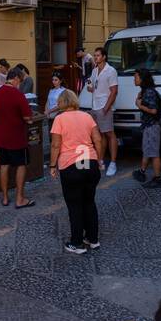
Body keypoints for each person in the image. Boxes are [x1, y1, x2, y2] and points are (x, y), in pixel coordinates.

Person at [48, 90, 102, 254]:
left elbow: (56, 145)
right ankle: (93, 239)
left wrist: (52, 165)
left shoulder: (59, 119)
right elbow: (98, 139)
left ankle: (76, 243)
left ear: (62, 103)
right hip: (88, 161)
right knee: (89, 201)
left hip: (71, 164)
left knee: (74, 204)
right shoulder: (86, 116)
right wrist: (98, 160)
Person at [0, 66, 34, 209]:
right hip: (16, 137)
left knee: (4, 165)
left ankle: (4, 198)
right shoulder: (18, 95)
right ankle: (19, 199)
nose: (20, 84)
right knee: (21, 166)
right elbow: (28, 118)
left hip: (1, 137)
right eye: (20, 81)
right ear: (15, 78)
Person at [86, 46, 119, 177]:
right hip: (95, 105)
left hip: (105, 106)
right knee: (101, 135)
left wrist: (106, 107)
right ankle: (101, 160)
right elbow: (93, 87)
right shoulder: (94, 71)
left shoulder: (111, 71)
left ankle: (113, 163)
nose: (95, 57)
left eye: (98, 55)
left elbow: (114, 91)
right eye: (94, 55)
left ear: (104, 57)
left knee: (110, 134)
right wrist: (90, 87)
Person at [132, 68, 161, 189]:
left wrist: (140, 106)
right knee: (148, 150)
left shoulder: (149, 92)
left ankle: (158, 179)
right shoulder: (144, 91)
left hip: (152, 126)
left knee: (154, 153)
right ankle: (142, 171)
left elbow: (154, 110)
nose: (134, 79)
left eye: (135, 77)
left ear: (142, 78)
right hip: (148, 126)